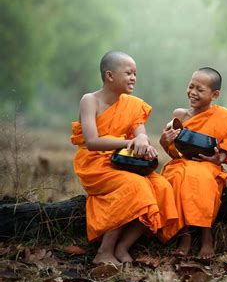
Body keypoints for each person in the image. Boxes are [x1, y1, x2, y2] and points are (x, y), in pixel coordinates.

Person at [71, 51, 178, 265]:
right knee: (137, 186)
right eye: (128, 73)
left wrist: (143, 143)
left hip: (126, 163)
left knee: (162, 187)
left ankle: (123, 246)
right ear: (110, 76)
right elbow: (92, 141)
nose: (134, 78)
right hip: (95, 165)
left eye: (135, 74)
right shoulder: (90, 101)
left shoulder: (133, 105)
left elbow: (141, 133)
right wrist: (128, 142)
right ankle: (104, 251)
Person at [159, 67, 227, 258]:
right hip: (182, 164)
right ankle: (185, 236)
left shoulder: (224, 117)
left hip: (208, 166)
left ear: (215, 94)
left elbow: (226, 151)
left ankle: (206, 235)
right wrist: (165, 140)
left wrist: (216, 159)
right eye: (191, 86)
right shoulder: (180, 114)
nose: (193, 93)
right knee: (178, 177)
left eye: (200, 90)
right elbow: (173, 152)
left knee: (202, 177)